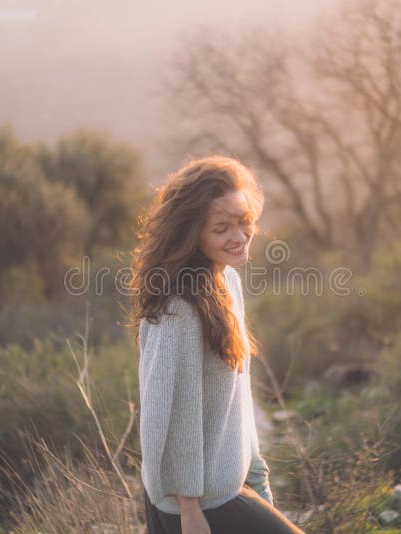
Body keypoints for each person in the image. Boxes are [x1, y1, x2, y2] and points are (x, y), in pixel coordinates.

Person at [127, 156, 305, 534]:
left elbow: (233, 402)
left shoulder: (227, 285)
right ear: (192, 235)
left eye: (244, 221)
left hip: (224, 488)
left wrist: (258, 477)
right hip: (196, 505)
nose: (239, 236)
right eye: (221, 228)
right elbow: (165, 412)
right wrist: (189, 510)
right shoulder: (178, 308)